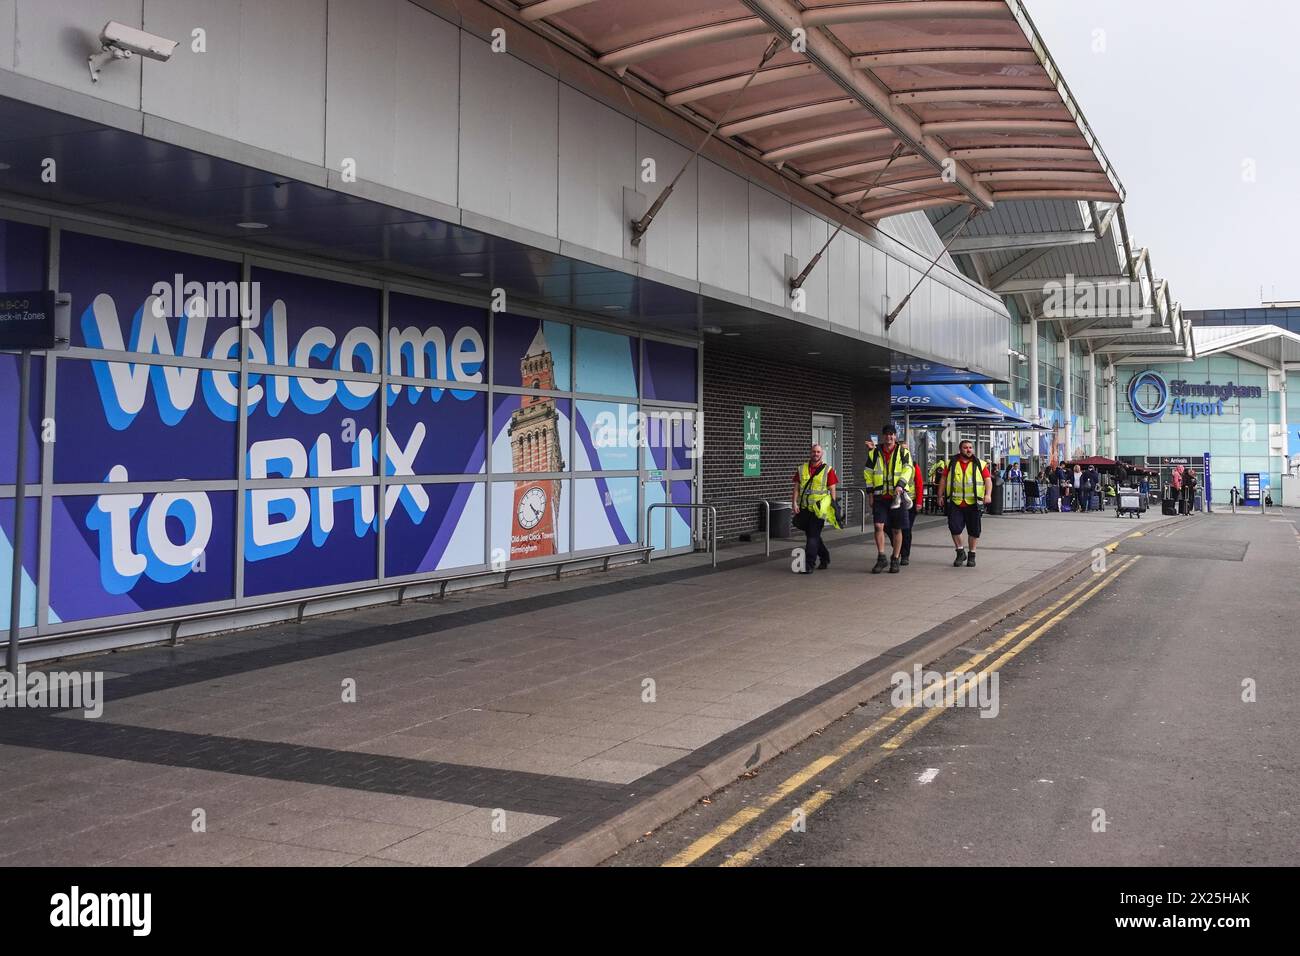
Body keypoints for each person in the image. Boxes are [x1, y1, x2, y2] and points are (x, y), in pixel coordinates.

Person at [863, 423, 915, 574]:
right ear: (883, 436)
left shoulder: (903, 452)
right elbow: (868, 474)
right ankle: (881, 557)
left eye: (892, 434)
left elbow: (908, 469)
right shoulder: (874, 453)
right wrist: (870, 494)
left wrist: (900, 485)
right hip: (880, 497)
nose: (889, 437)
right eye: (887, 434)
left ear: (895, 436)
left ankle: (895, 558)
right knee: (879, 526)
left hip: (897, 496)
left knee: (897, 529)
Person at [938, 439, 992, 567]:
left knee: (974, 530)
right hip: (955, 502)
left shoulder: (980, 463)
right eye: (965, 448)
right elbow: (943, 480)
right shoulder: (951, 463)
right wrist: (940, 495)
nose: (968, 450)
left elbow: (988, 480)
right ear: (960, 449)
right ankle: (960, 551)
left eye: (970, 447)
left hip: (973, 502)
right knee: (954, 528)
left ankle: (972, 555)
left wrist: (988, 494)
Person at [791, 443, 839, 574]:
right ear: (810, 453)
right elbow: (796, 487)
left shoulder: (828, 470)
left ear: (822, 454)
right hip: (804, 508)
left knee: (812, 536)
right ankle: (825, 557)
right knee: (813, 535)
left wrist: (833, 506)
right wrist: (794, 503)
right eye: (814, 451)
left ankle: (809, 564)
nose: (816, 454)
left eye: (818, 452)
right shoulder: (801, 469)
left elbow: (832, 489)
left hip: (819, 510)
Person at [898, 451, 924, 566]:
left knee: (906, 529)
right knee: (892, 528)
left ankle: (904, 555)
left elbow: (919, 484)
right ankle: (898, 547)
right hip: (894, 500)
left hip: (909, 501)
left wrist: (919, 502)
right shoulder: (893, 464)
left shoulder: (914, 465)